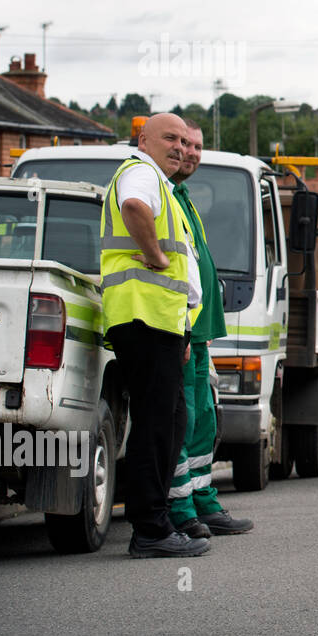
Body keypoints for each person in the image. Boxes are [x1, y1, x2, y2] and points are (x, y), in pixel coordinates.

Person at [101, 113, 208, 557]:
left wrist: (182, 332)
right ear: (142, 139)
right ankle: (149, 529)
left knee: (169, 422)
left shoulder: (160, 182)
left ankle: (156, 521)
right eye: (170, 138)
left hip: (161, 323)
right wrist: (156, 256)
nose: (180, 148)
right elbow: (133, 208)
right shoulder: (141, 173)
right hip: (142, 318)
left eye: (185, 141)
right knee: (155, 426)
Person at [169, 121, 254, 539]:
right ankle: (181, 509)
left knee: (202, 418)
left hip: (198, 333)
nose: (191, 152)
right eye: (184, 144)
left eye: (198, 146)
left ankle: (203, 502)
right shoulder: (164, 194)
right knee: (181, 421)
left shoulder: (184, 196)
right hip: (179, 331)